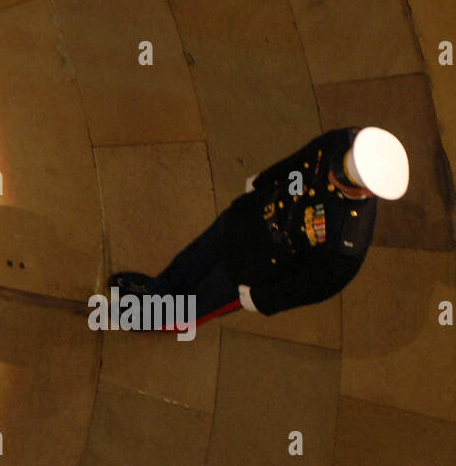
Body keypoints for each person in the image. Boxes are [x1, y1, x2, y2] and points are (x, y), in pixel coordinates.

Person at [108, 127, 408, 329]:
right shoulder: (342, 143)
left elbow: (315, 285)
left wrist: (265, 299)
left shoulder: (347, 241)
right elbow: (301, 158)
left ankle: (152, 318)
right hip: (244, 218)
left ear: (367, 192)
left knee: (199, 301)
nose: (331, 177)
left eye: (342, 181)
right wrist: (265, 179)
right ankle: (158, 290)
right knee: (190, 261)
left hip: (253, 269)